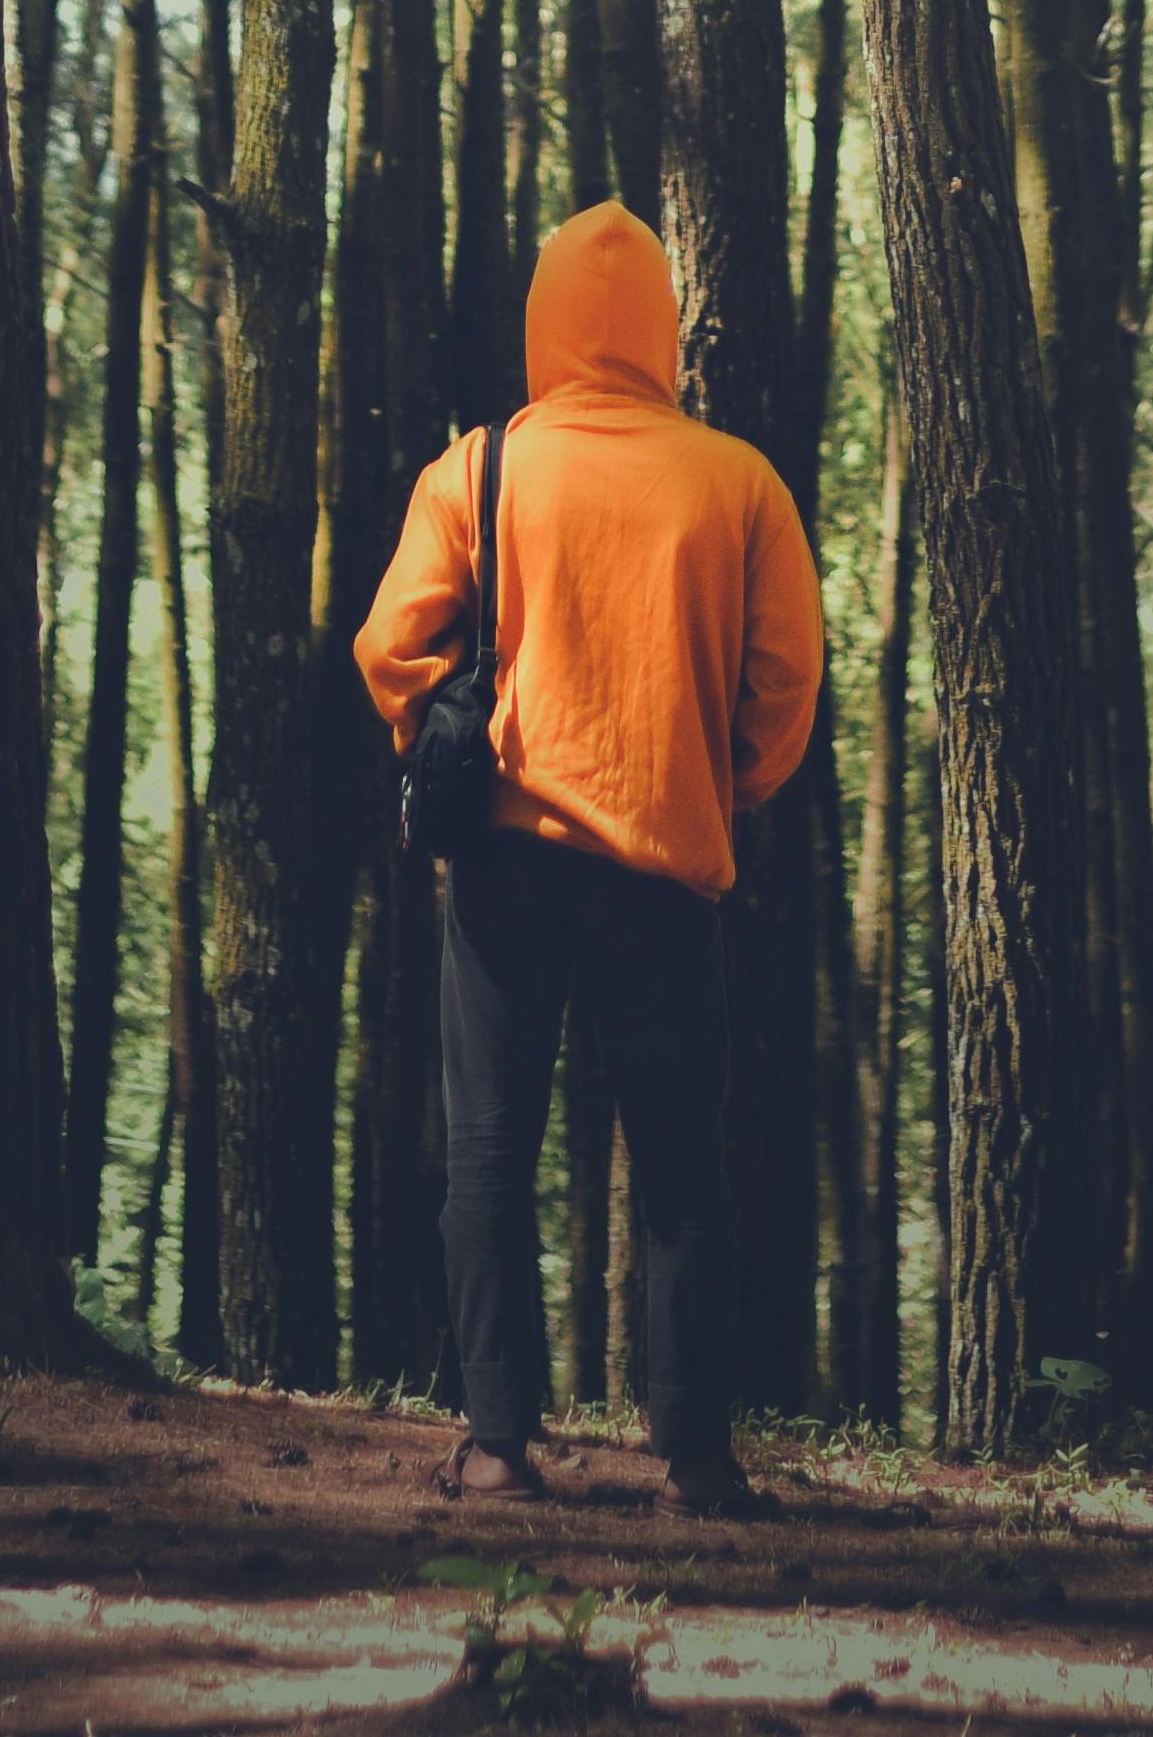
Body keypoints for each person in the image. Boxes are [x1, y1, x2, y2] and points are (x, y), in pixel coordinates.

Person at [353, 198, 823, 1513]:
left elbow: (390, 647)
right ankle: (696, 1458)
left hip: (506, 863)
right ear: (662, 331)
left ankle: (500, 1446)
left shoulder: (478, 468)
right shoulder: (738, 484)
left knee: (491, 1153)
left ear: (544, 322)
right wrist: (720, 788)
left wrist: (466, 723)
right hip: (668, 868)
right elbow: (786, 683)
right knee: (681, 1165)